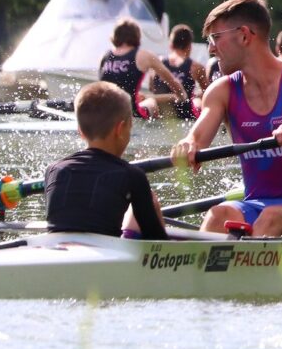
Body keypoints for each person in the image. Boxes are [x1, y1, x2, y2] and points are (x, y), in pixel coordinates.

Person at [172, 0, 282, 237]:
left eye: (216, 38)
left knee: (272, 217)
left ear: (245, 35)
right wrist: (187, 145)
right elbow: (198, 138)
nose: (211, 48)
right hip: (254, 204)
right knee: (218, 214)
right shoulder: (222, 91)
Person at [44, 81, 167, 240]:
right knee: (150, 199)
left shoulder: (54, 169)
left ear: (80, 132)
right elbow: (157, 241)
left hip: (58, 250)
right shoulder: (132, 176)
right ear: (120, 129)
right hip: (107, 257)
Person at [99, 17, 184, 118]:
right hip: (131, 112)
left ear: (115, 36)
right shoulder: (144, 55)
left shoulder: (105, 56)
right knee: (151, 101)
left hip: (104, 112)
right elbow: (171, 80)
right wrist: (181, 95)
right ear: (137, 36)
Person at [141, 24, 209, 120]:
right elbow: (208, 93)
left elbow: (152, 88)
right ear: (190, 46)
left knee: (149, 101)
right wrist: (196, 95)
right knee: (197, 101)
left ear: (171, 45)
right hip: (185, 114)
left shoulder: (157, 63)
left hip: (159, 112)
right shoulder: (196, 67)